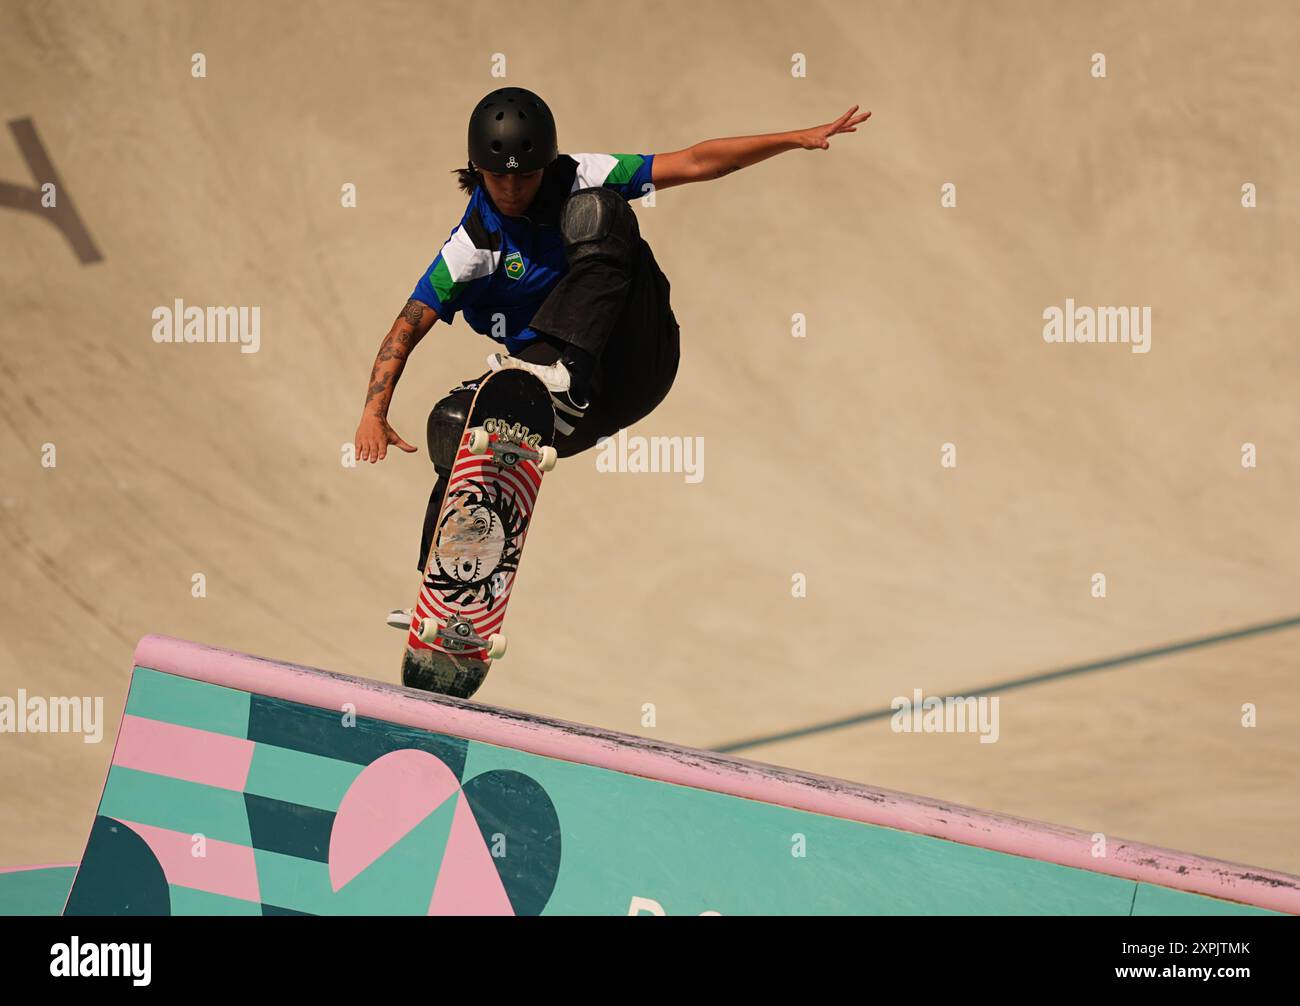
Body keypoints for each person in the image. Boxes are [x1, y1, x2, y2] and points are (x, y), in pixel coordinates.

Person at [354, 86, 869, 587]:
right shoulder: (471, 247)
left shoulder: (581, 177)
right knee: (458, 424)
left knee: (598, 211)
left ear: (546, 166)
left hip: (638, 353)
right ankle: (451, 593)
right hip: (568, 405)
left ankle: (568, 379)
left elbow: (694, 162)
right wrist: (374, 413)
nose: (511, 192)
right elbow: (407, 324)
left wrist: (793, 138)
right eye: (497, 180)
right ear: (477, 172)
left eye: (527, 178)